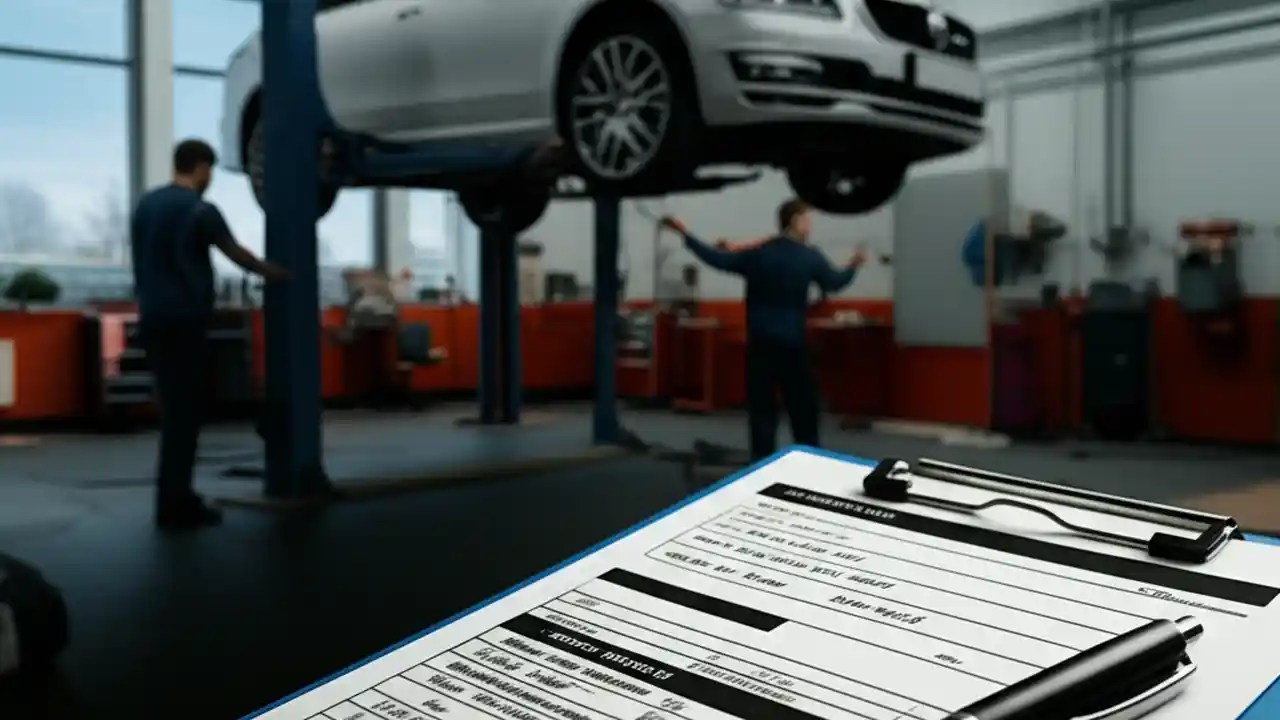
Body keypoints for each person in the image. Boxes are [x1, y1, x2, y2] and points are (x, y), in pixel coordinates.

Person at [131, 139, 289, 530]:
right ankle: (176, 504)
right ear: (201, 168)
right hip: (185, 320)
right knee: (185, 417)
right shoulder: (199, 209)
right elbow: (236, 253)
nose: (210, 180)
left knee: (175, 413)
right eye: (210, 172)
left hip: (152, 318)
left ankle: (173, 498)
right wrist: (280, 274)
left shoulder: (145, 206)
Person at [662, 200, 867, 460]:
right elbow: (835, 283)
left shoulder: (759, 254)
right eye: (807, 219)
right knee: (803, 410)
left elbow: (716, 259)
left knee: (762, 413)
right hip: (793, 345)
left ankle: (760, 466)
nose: (811, 225)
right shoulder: (809, 257)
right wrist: (855, 265)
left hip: (760, 344)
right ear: (794, 221)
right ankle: (811, 462)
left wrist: (686, 235)